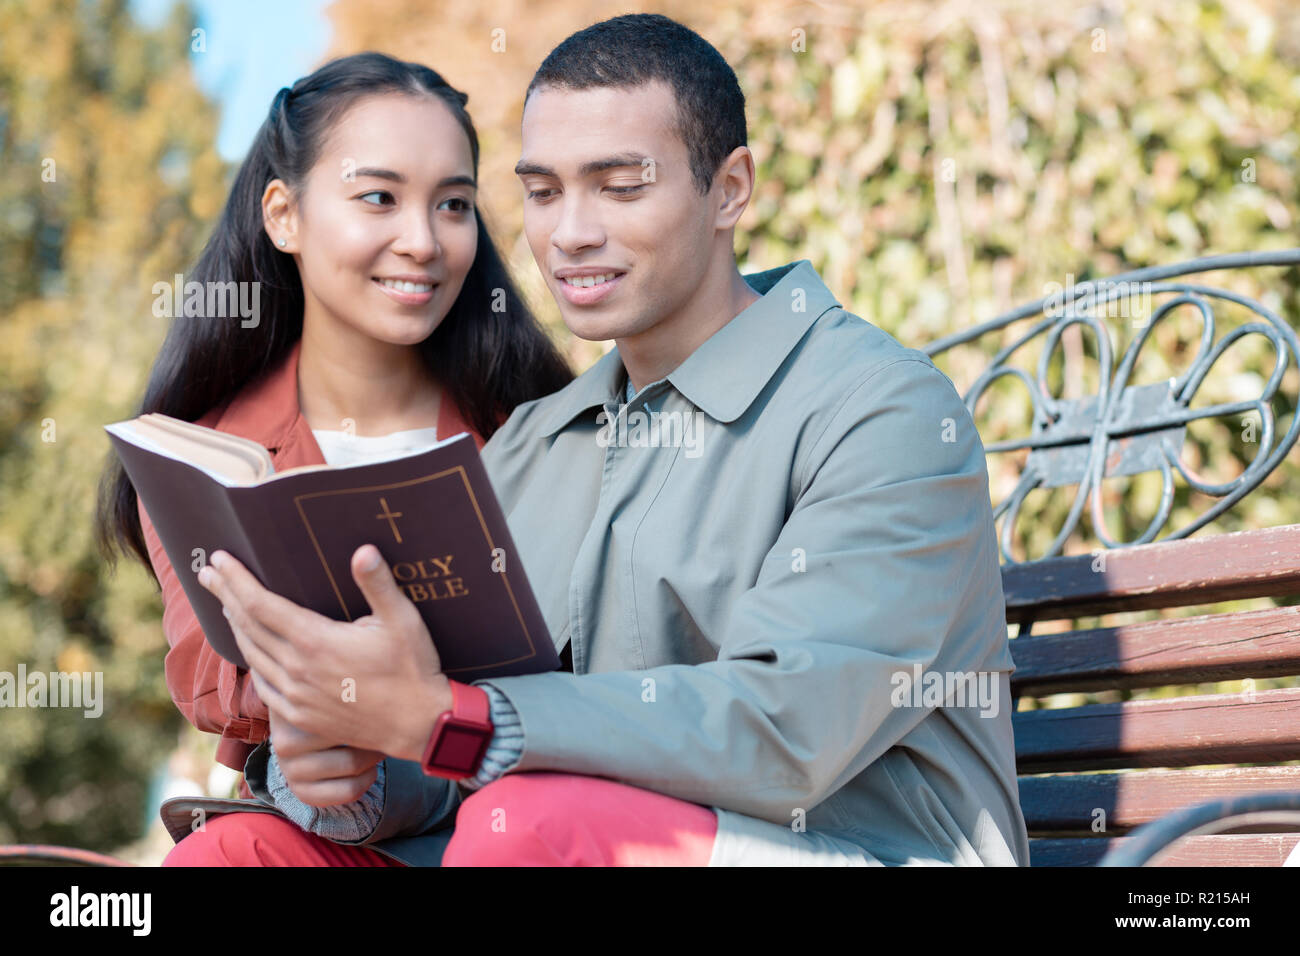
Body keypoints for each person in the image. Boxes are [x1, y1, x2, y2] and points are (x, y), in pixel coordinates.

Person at [169, 14, 1032, 866]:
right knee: (238, 853)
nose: (570, 232)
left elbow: (787, 729)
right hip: (552, 839)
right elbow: (460, 738)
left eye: (620, 186)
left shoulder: (884, 413)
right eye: (543, 192)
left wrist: (453, 723)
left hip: (852, 851)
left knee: (537, 824)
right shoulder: (530, 445)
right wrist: (359, 767)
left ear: (730, 188)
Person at [95, 51, 573, 842]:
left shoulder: (533, 422)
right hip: (321, 800)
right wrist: (312, 701)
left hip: (525, 790)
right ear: (283, 215)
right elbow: (201, 668)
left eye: (453, 205)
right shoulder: (211, 449)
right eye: (379, 198)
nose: (422, 240)